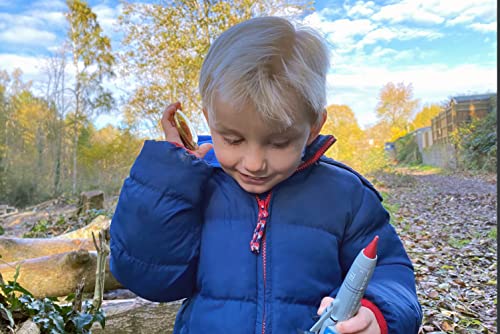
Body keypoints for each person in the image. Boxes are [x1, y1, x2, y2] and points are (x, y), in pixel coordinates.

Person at [109, 16, 422, 334]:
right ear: (209, 119)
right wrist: (168, 179)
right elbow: (149, 278)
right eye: (233, 139)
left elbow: (389, 272)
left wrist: (377, 315)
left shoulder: (346, 195)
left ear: (314, 127)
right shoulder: (195, 185)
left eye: (279, 142)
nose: (254, 162)